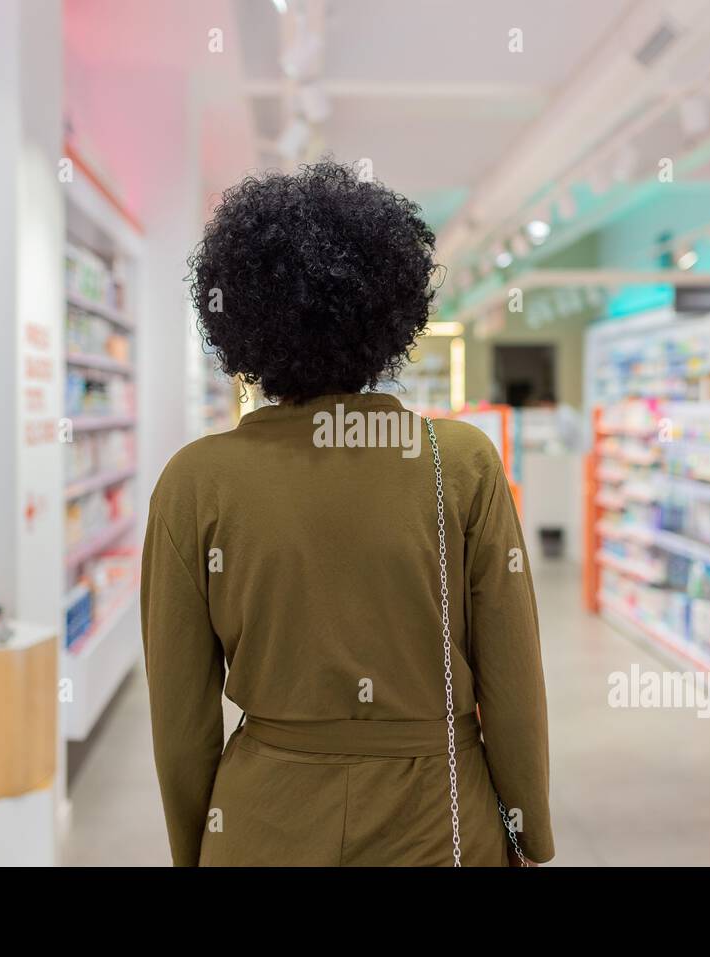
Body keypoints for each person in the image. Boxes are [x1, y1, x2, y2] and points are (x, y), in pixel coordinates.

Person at [141, 160, 553, 867]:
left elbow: (181, 720)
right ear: (389, 315)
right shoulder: (458, 463)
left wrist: (195, 847)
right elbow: (512, 684)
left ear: (239, 322)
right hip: (439, 821)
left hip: (263, 820)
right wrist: (528, 831)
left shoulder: (195, 482)